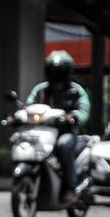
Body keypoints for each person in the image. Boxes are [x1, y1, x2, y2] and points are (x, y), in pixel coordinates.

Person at [26, 51, 90, 203]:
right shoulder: (40, 90)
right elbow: (29, 105)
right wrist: (17, 116)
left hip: (66, 132)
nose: (57, 73)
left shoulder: (76, 91)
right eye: (54, 70)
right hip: (42, 132)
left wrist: (73, 117)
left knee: (64, 145)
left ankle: (70, 188)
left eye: (60, 70)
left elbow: (83, 110)